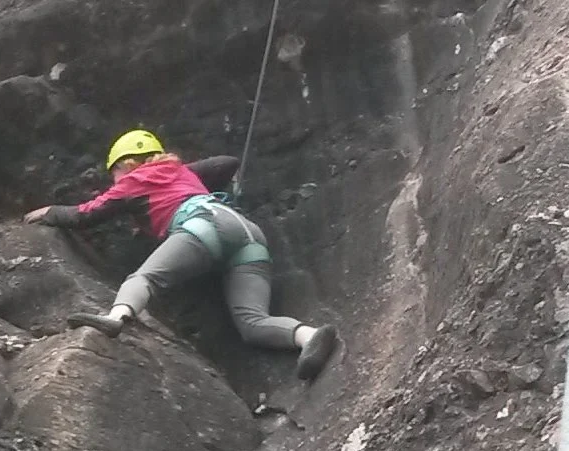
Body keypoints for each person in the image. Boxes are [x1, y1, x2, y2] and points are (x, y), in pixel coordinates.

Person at [25, 129, 338, 380]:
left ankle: (115, 317)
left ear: (127, 164)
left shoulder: (133, 181)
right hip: (248, 233)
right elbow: (227, 162)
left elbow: (86, 214)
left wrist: (49, 212)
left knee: (144, 278)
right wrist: (184, 177)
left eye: (115, 173)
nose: (115, 182)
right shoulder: (180, 172)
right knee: (253, 323)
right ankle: (309, 337)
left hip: (204, 227)